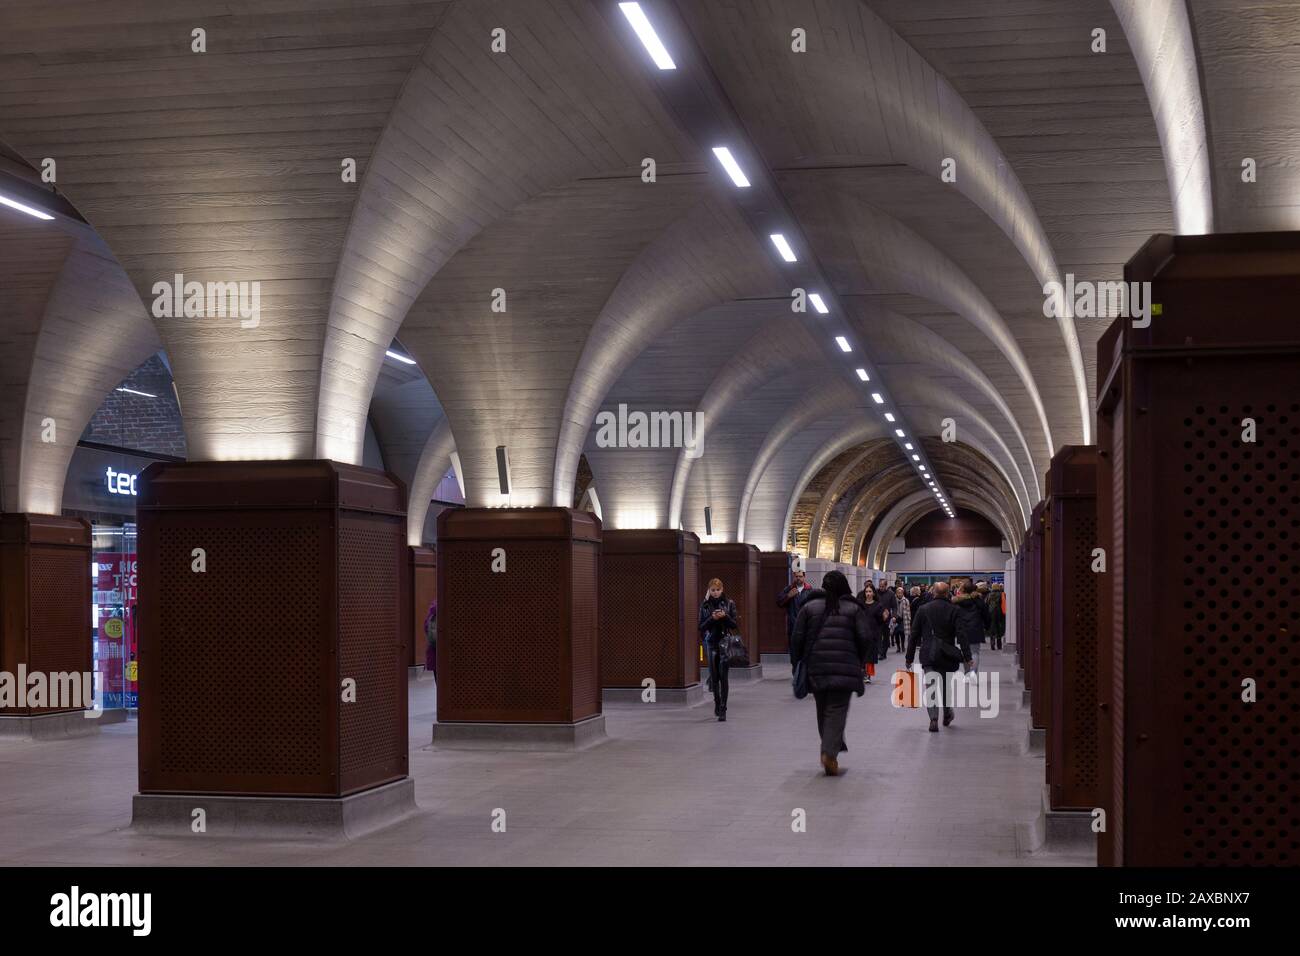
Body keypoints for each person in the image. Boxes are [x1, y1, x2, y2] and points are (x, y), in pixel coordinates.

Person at [790, 570, 871, 776]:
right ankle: (829, 752)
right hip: (845, 668)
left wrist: (797, 663)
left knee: (823, 708)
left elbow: (797, 638)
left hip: (817, 667)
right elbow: (864, 638)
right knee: (837, 709)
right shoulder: (853, 609)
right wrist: (859, 660)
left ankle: (830, 747)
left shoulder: (808, 608)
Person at [906, 582, 971, 732]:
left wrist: (909, 658)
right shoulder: (955, 610)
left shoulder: (923, 609)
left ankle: (933, 719)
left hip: (929, 654)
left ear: (933, 593)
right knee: (946, 686)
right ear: (948, 593)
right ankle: (947, 713)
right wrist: (967, 656)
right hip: (947, 654)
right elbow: (961, 635)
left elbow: (914, 635)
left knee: (931, 687)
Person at [698, 578, 738, 722]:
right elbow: (701, 626)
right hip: (710, 643)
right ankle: (716, 702)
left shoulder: (729, 603)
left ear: (722, 589)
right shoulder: (705, 605)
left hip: (725, 642)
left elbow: (734, 624)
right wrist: (712, 618)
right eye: (713, 590)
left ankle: (723, 708)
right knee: (714, 677)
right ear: (709, 590)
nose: (715, 593)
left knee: (723, 676)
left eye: (718, 590)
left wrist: (724, 616)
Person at [776, 566, 812, 672]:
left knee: (806, 651)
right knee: (794, 653)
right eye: (796, 576)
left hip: (806, 627)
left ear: (804, 577)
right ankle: (796, 672)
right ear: (793, 577)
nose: (798, 579)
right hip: (793, 627)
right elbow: (779, 603)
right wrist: (788, 596)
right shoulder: (788, 589)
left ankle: (804, 672)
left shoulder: (809, 590)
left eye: (800, 576)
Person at [855, 579, 891, 681]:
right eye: (866, 592)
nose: (868, 593)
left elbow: (881, 620)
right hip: (861, 632)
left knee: (870, 655)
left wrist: (885, 617)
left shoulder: (878, 605)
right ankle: (863, 672)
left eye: (870, 591)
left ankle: (868, 674)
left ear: (873, 593)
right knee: (862, 653)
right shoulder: (860, 604)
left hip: (873, 633)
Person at [953, 581, 991, 673]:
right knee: (975, 652)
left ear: (963, 590)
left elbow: (953, 617)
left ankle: (967, 673)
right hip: (976, 629)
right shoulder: (979, 601)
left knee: (965, 652)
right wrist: (987, 626)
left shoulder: (957, 602)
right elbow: (986, 615)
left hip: (962, 629)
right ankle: (973, 674)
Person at [894, 585, 912, 652]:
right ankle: (898, 647)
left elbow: (908, 610)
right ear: (896, 593)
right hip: (896, 619)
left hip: (903, 619)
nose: (899, 594)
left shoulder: (906, 600)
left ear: (903, 593)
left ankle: (903, 646)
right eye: (898, 592)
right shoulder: (894, 599)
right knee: (896, 633)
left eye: (901, 592)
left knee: (902, 633)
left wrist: (909, 618)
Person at [988, 583, 1007, 650]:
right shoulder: (1002, 594)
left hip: (991, 613)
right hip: (999, 613)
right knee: (999, 628)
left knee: (992, 628)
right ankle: (999, 645)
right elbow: (1004, 604)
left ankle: (992, 645)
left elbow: (987, 603)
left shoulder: (989, 594)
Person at [423, 600, 437, 679]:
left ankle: (439, 691)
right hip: (446, 650)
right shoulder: (446, 610)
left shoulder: (431, 614)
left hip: (433, 649)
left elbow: (425, 628)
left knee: (437, 676)